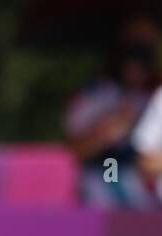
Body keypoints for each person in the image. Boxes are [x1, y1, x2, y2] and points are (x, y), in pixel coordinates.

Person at [64, 15, 161, 209]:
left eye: (147, 44)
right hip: (107, 179)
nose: (140, 52)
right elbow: (73, 150)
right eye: (135, 44)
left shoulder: (155, 94)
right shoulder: (97, 93)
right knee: (113, 173)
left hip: (149, 195)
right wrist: (107, 132)